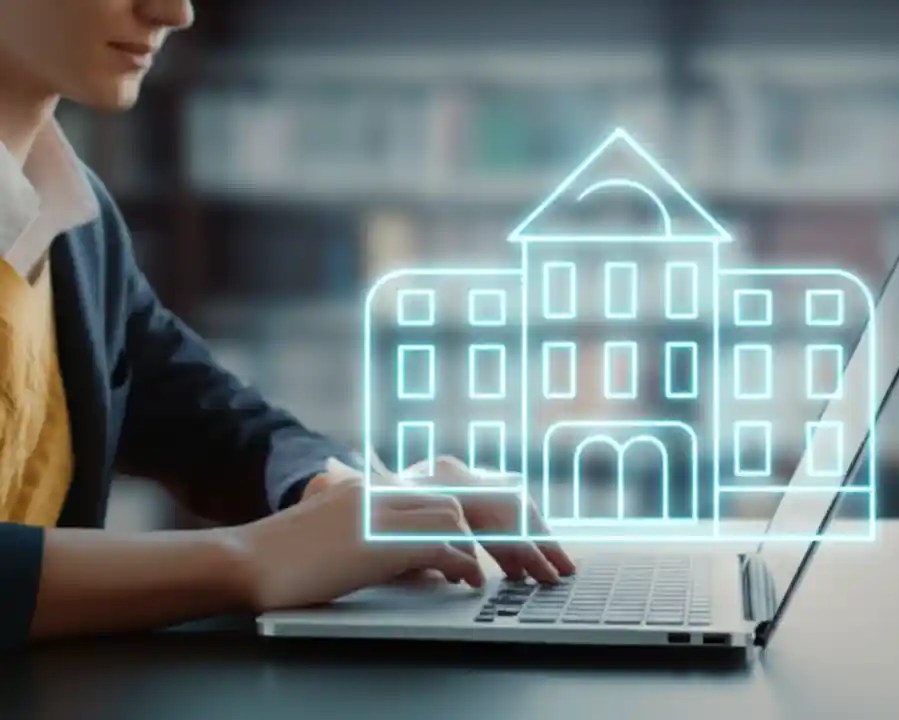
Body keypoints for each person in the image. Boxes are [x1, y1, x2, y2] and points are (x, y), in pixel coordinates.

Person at [0, 0, 572, 651]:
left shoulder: (80, 222)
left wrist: (356, 498)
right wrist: (247, 559)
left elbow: (211, 418)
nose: (174, 11)